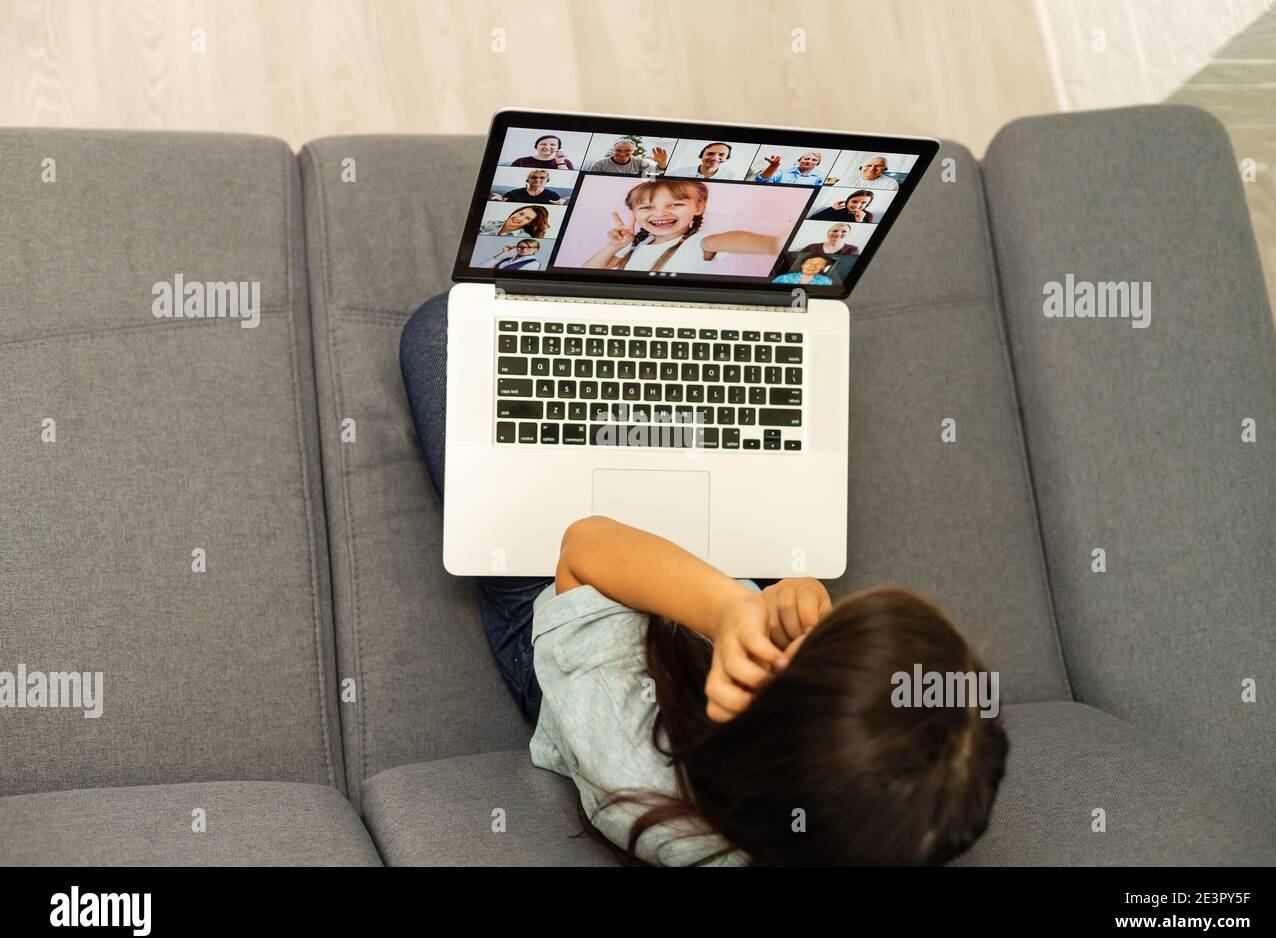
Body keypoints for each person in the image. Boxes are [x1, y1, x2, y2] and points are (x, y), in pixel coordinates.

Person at [398, 303, 1009, 865]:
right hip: (709, 603)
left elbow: (584, 546)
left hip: (576, 613)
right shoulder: (840, 808)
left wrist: (724, 608)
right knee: (752, 338)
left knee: (441, 334)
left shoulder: (636, 767)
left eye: (822, 643)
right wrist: (789, 597)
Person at [581, 179, 784, 274]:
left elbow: (730, 239)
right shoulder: (637, 244)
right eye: (646, 207)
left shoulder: (699, 242)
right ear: (634, 212)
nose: (660, 213)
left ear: (699, 207)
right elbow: (587, 274)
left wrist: (773, 244)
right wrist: (614, 246)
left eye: (675, 204)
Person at [586, 139, 670, 176]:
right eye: (618, 150)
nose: (622, 154)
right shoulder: (600, 164)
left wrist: (662, 162)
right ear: (613, 150)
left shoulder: (638, 161)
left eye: (627, 151)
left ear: (633, 152)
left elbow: (658, 170)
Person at [491, 169, 566, 205]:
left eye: (542, 178)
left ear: (547, 180)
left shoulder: (553, 195)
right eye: (534, 177)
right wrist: (498, 202)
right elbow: (502, 206)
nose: (537, 180)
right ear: (528, 180)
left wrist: (560, 206)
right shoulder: (512, 193)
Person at [752, 150, 826, 185]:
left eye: (814, 160)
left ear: (817, 163)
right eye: (806, 158)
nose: (809, 161)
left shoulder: (820, 177)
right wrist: (773, 166)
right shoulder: (784, 171)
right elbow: (761, 182)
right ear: (800, 160)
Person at [827, 155, 899, 190]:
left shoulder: (891, 183)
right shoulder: (849, 177)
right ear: (861, 167)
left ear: (885, 169)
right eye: (869, 165)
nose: (872, 169)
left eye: (878, 166)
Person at [668, 142, 734, 179]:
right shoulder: (678, 172)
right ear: (702, 155)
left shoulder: (731, 176)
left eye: (721, 155)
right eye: (710, 154)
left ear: (726, 158)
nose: (714, 158)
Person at [478, 204, 551, 238]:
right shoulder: (492, 223)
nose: (519, 218)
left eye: (527, 218)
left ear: (530, 223)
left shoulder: (524, 237)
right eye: (521, 214)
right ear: (516, 211)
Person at [510, 134, 575, 170]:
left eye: (552, 145)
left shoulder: (566, 162)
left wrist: (560, 162)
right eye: (543, 144)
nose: (547, 147)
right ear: (536, 146)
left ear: (558, 148)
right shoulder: (520, 161)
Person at [809, 189, 875, 223]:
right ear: (847, 201)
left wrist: (860, 221)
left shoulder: (868, 216)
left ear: (867, 205)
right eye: (854, 201)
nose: (857, 205)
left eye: (863, 203)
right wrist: (832, 208)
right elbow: (811, 220)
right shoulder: (834, 211)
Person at [476, 238, 543, 270]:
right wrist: (503, 253)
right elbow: (482, 267)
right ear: (516, 247)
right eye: (521, 247)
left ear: (536, 249)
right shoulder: (507, 259)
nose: (524, 249)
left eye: (529, 247)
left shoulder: (534, 263)